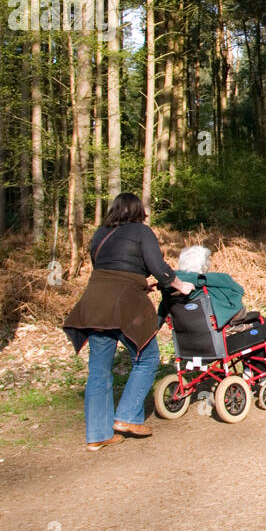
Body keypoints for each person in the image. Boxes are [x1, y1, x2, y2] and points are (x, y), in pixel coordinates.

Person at [62, 192, 195, 451]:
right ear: (138, 212)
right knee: (147, 358)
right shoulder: (142, 232)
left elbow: (107, 269)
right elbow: (160, 269)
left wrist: (137, 282)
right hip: (124, 305)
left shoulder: (101, 233)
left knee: (99, 370)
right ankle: (127, 418)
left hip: (93, 303)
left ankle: (97, 435)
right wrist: (182, 285)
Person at [171, 245, 249, 328]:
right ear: (204, 265)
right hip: (210, 327)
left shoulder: (171, 283)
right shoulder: (211, 280)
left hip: (183, 328)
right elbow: (240, 291)